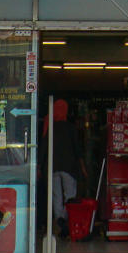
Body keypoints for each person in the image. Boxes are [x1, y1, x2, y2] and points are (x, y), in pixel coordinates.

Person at [50, 98, 85, 236]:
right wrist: (82, 167)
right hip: (68, 168)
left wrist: (40, 166)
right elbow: (77, 149)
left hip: (53, 167)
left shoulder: (51, 128)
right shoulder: (71, 128)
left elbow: (44, 148)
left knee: (56, 196)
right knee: (69, 196)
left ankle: (59, 220)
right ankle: (67, 222)